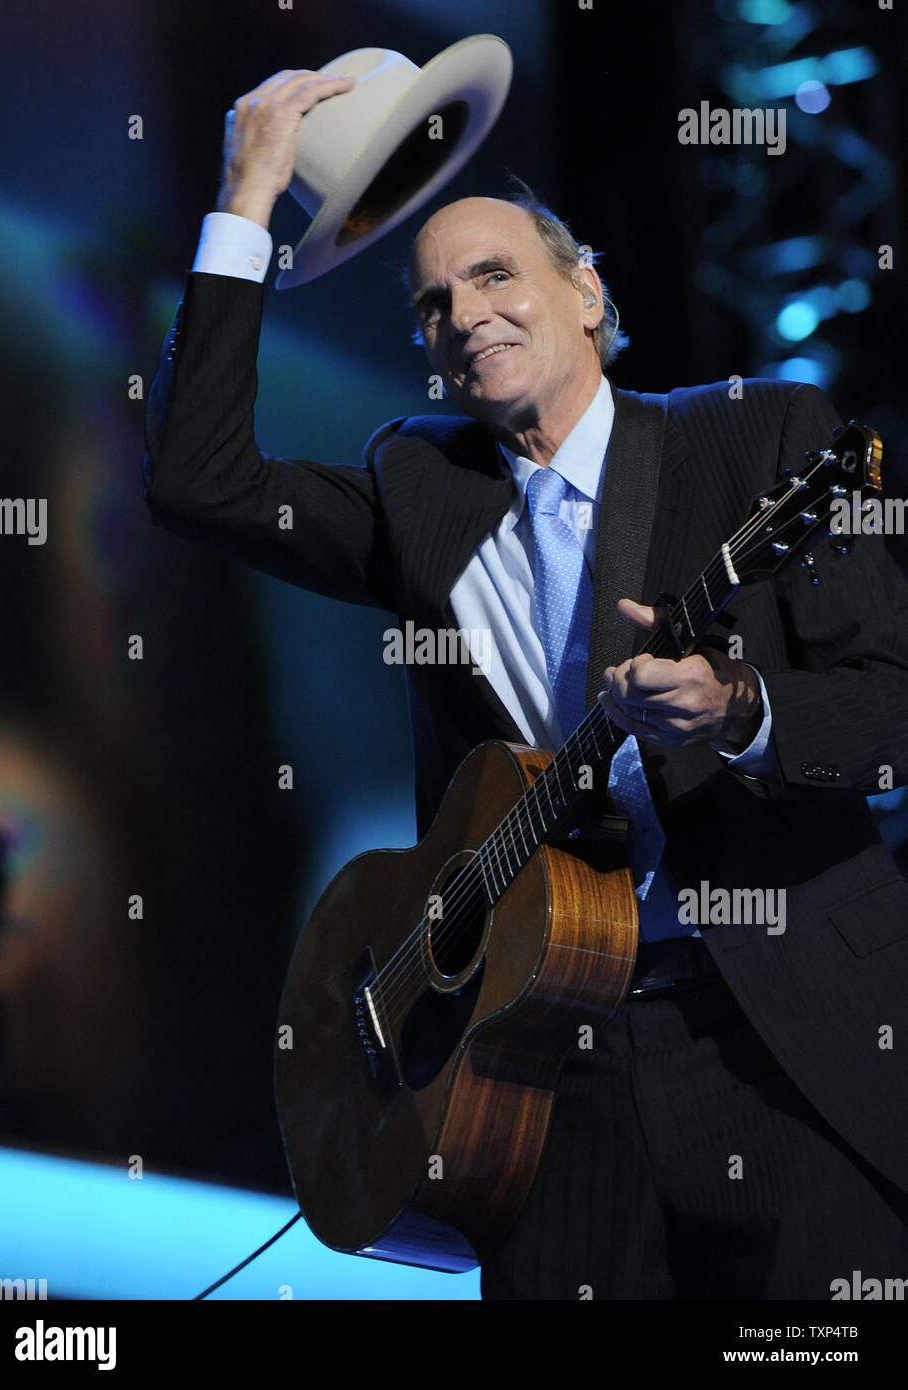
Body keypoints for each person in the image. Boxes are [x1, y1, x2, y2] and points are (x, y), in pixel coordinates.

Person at [143, 70, 908, 1299]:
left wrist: (744, 713)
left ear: (587, 289)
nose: (465, 314)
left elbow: (892, 707)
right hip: (542, 1072)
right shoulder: (419, 486)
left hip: (774, 1037)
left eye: (496, 274)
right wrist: (249, 194)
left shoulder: (758, 436)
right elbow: (196, 481)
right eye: (434, 302)